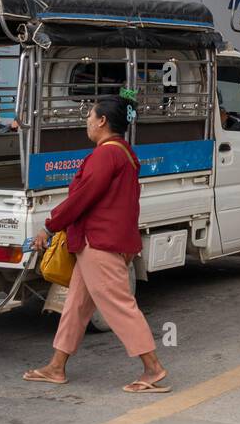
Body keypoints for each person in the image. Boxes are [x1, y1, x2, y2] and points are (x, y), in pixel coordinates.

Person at [23, 95, 169, 394]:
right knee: (75, 305)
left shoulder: (105, 155)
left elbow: (81, 198)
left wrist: (49, 227)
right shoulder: (123, 153)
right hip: (105, 241)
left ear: (102, 121)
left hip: (99, 243)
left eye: (90, 116)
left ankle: (153, 368)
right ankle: (56, 366)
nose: (87, 121)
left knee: (119, 306)